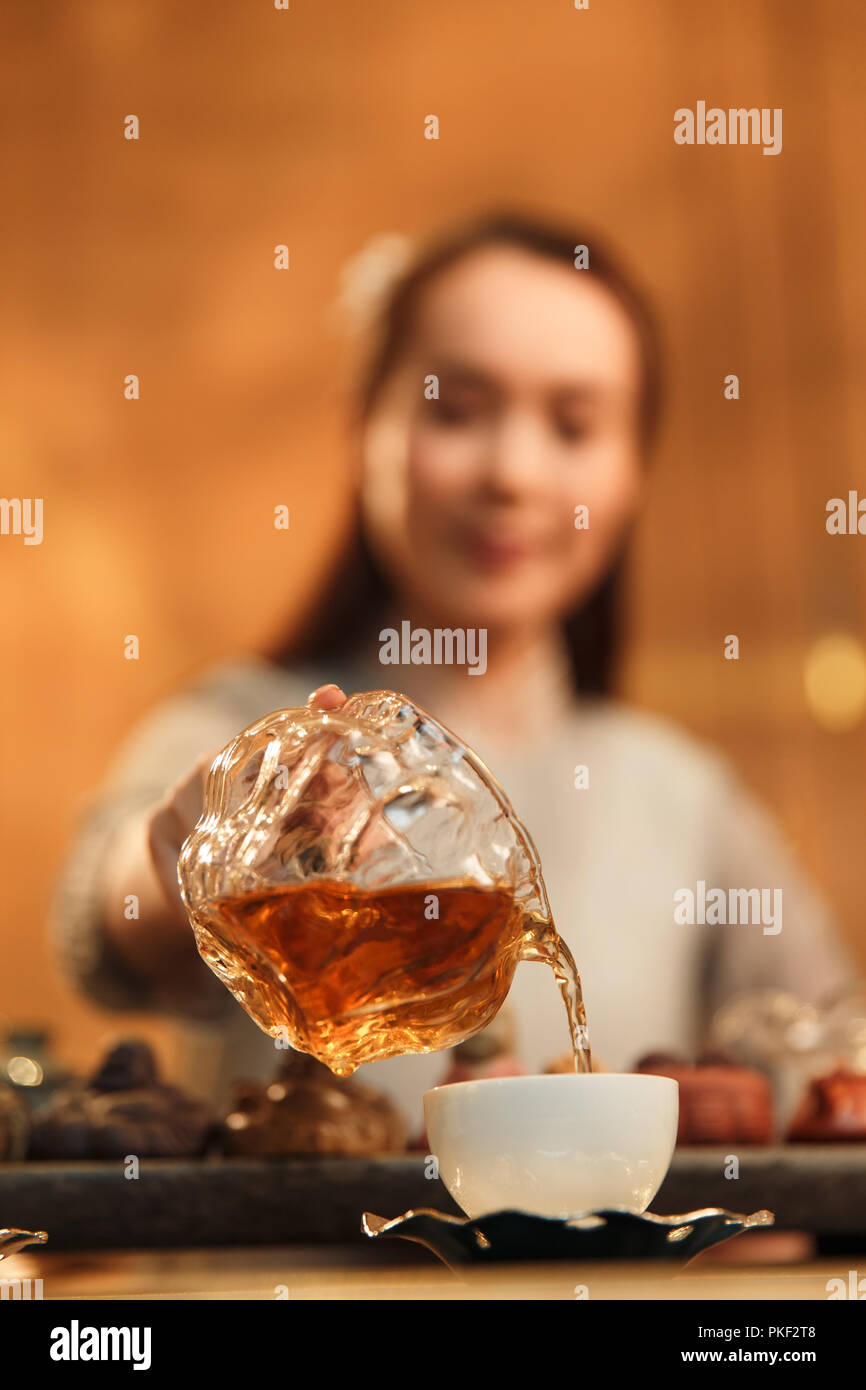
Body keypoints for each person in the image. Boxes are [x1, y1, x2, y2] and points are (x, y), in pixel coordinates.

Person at [53, 212, 858, 1123]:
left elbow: (830, 1048)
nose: (511, 472)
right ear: (364, 429)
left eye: (573, 424)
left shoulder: (685, 795)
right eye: (456, 411)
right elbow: (103, 923)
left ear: (634, 471)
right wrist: (179, 865)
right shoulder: (246, 727)